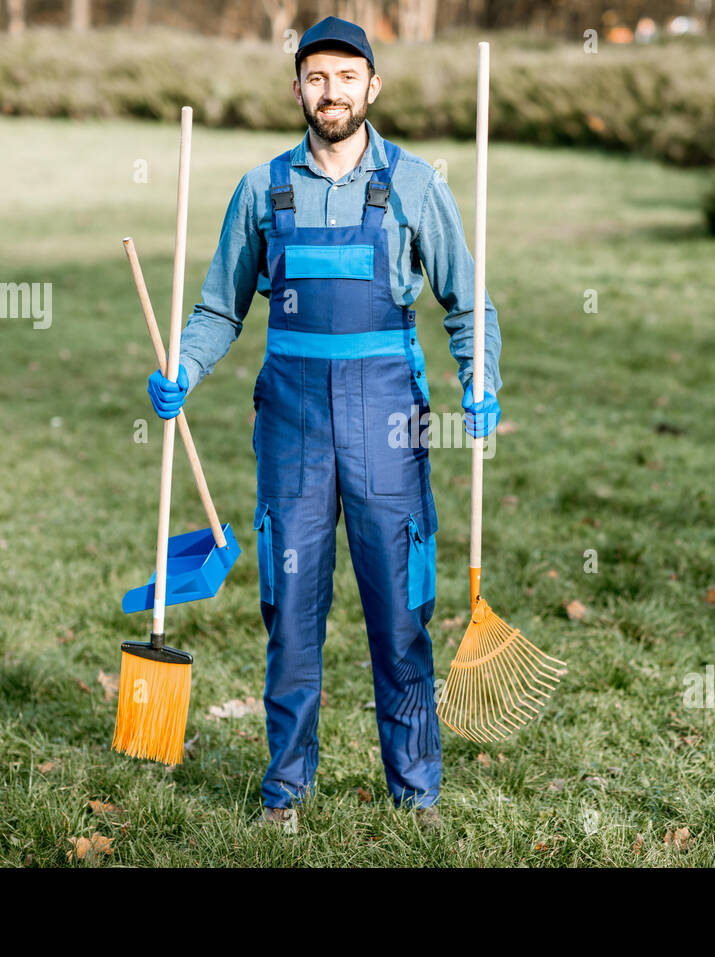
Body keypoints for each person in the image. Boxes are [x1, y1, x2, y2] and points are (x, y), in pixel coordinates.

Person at [145, 16, 502, 828]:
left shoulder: (415, 185)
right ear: (297, 86)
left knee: (399, 609)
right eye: (316, 76)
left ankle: (415, 794)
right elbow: (215, 308)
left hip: (387, 424)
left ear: (372, 86)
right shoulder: (263, 189)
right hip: (294, 425)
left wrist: (483, 377)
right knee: (291, 609)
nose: (330, 91)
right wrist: (183, 368)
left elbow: (467, 305)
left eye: (347, 76)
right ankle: (284, 794)